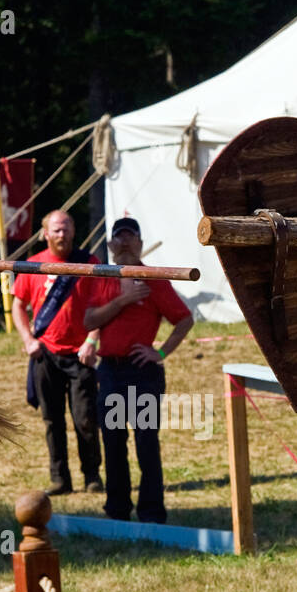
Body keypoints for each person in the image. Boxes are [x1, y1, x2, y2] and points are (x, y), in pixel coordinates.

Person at [81, 217, 193, 523]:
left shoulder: (154, 279)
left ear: (141, 244)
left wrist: (159, 352)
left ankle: (151, 512)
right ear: (111, 245)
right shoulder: (104, 277)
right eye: (120, 239)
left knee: (146, 441)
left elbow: (184, 320)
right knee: (114, 441)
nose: (126, 244)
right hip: (112, 373)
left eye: (131, 239)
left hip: (141, 374)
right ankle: (117, 510)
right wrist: (124, 300)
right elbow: (90, 321)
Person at [12, 209, 103, 495]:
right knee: (52, 420)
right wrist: (28, 340)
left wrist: (92, 340)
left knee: (85, 418)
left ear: (73, 231)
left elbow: (102, 305)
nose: (61, 234)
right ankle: (60, 479)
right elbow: (18, 306)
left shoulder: (90, 263)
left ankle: (92, 476)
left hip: (80, 354)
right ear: (46, 233)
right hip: (45, 355)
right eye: (56, 230)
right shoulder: (32, 265)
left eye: (66, 228)